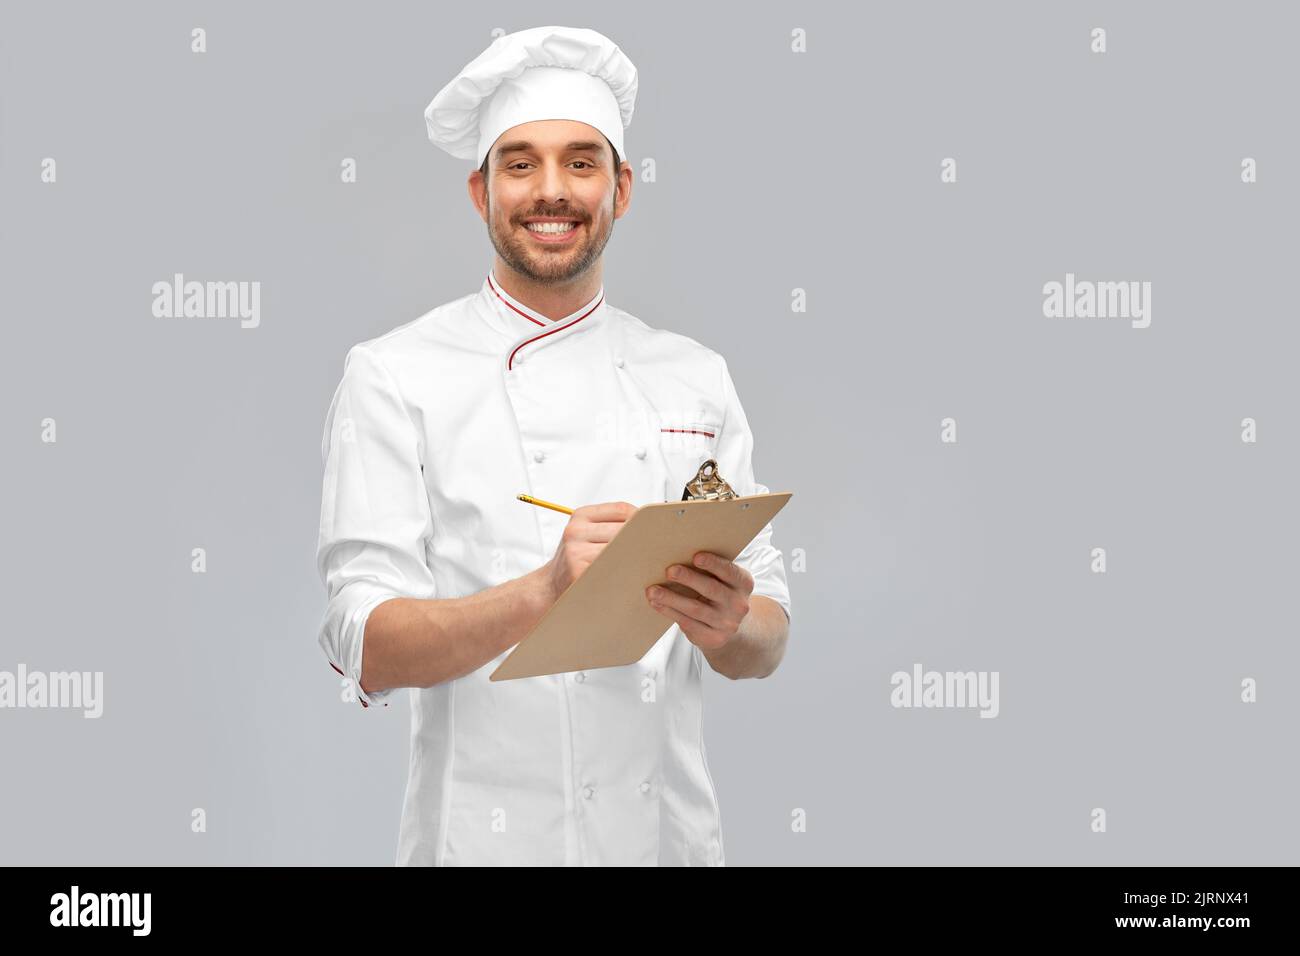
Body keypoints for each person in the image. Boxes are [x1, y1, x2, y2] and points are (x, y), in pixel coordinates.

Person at [316, 25, 792, 866]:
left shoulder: (693, 378)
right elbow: (366, 644)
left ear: (623, 189)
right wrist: (547, 590)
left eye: (580, 162)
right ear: (480, 191)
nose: (552, 192)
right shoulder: (394, 375)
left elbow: (769, 636)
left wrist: (728, 627)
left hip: (664, 843)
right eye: (520, 162)